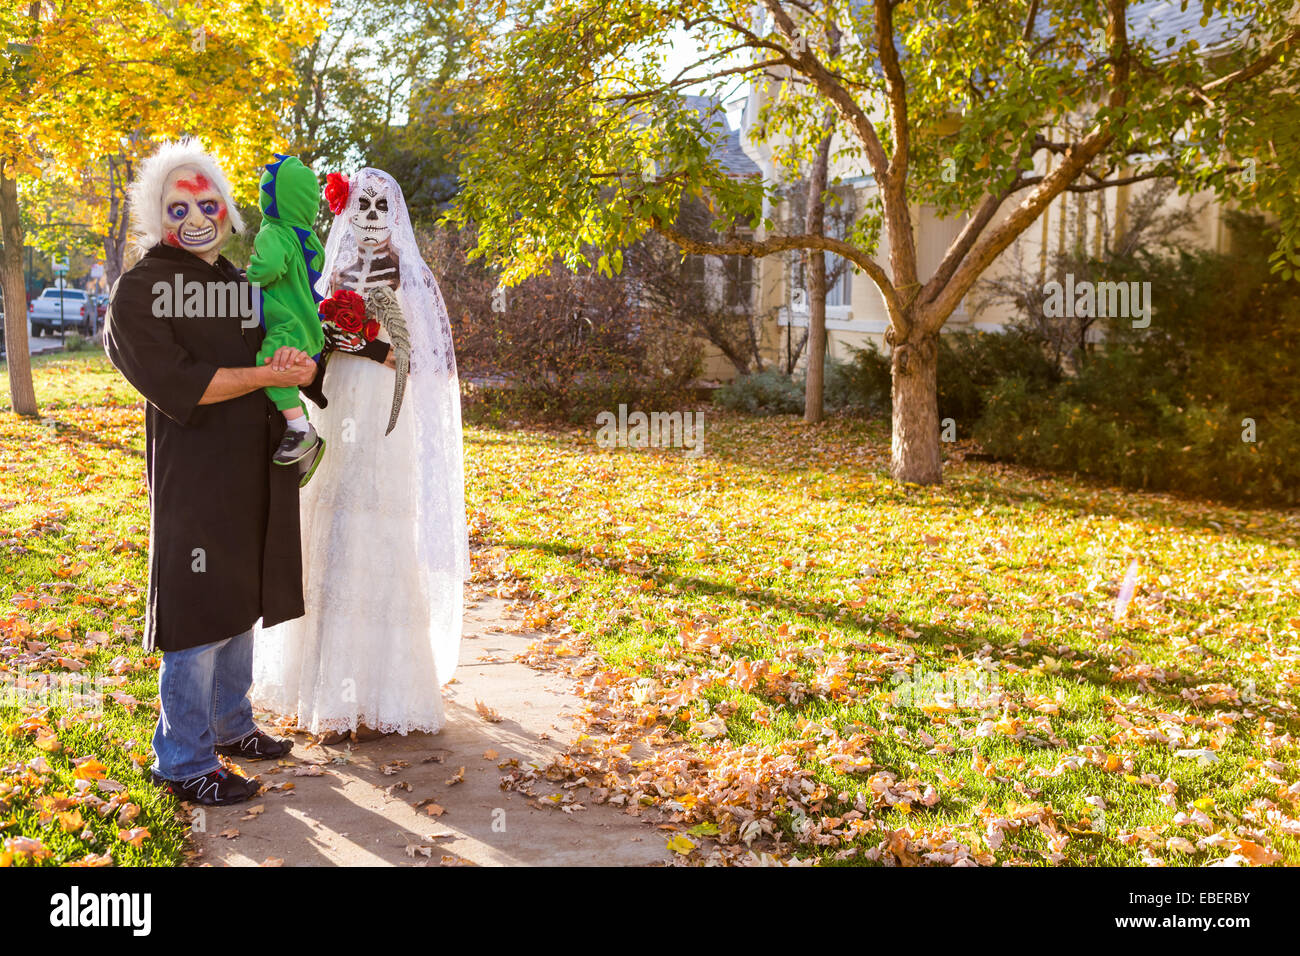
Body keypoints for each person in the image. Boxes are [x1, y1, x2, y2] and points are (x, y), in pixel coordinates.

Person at [104, 138, 316, 806]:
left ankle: (231, 724)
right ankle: (183, 758)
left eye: (207, 202)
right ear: (154, 215)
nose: (196, 215)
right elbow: (182, 383)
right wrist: (268, 373)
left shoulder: (235, 280)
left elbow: (274, 339)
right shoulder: (140, 292)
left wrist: (302, 355)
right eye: (178, 206)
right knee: (197, 617)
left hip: (250, 464)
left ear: (226, 209)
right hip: (195, 476)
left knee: (239, 598)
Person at [252, 168, 468, 742]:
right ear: (346, 214)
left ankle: (380, 690)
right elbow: (308, 329)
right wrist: (330, 338)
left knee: (376, 525)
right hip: (337, 402)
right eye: (361, 205)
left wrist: (371, 345)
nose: (370, 215)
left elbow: (418, 359)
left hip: (382, 411)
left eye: (380, 205)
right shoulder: (332, 272)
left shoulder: (409, 277)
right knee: (331, 522)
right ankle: (320, 685)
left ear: (393, 211)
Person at [246, 154, 327, 481]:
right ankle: (301, 457)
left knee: (271, 366)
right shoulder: (306, 236)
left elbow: (268, 268)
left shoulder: (274, 233)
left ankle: (300, 429)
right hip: (308, 326)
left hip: (286, 326)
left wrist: (248, 276)